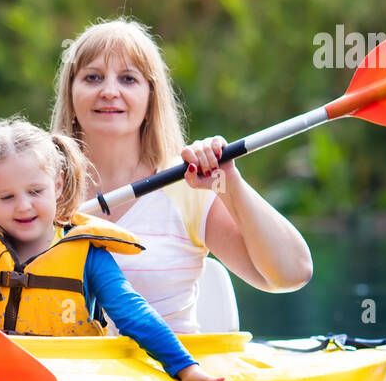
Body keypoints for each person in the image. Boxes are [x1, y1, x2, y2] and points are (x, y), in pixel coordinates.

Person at [0, 118, 234, 381]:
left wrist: (186, 369)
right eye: (7, 197)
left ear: (58, 184)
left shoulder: (89, 255)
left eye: (35, 191)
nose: (23, 206)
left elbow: (133, 313)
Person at [50, 17, 313, 333]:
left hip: (173, 374)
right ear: (71, 93)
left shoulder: (188, 188)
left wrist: (229, 183)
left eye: (128, 79)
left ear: (151, 97)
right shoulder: (34, 189)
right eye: (92, 78)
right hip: (67, 372)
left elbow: (291, 273)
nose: (109, 91)